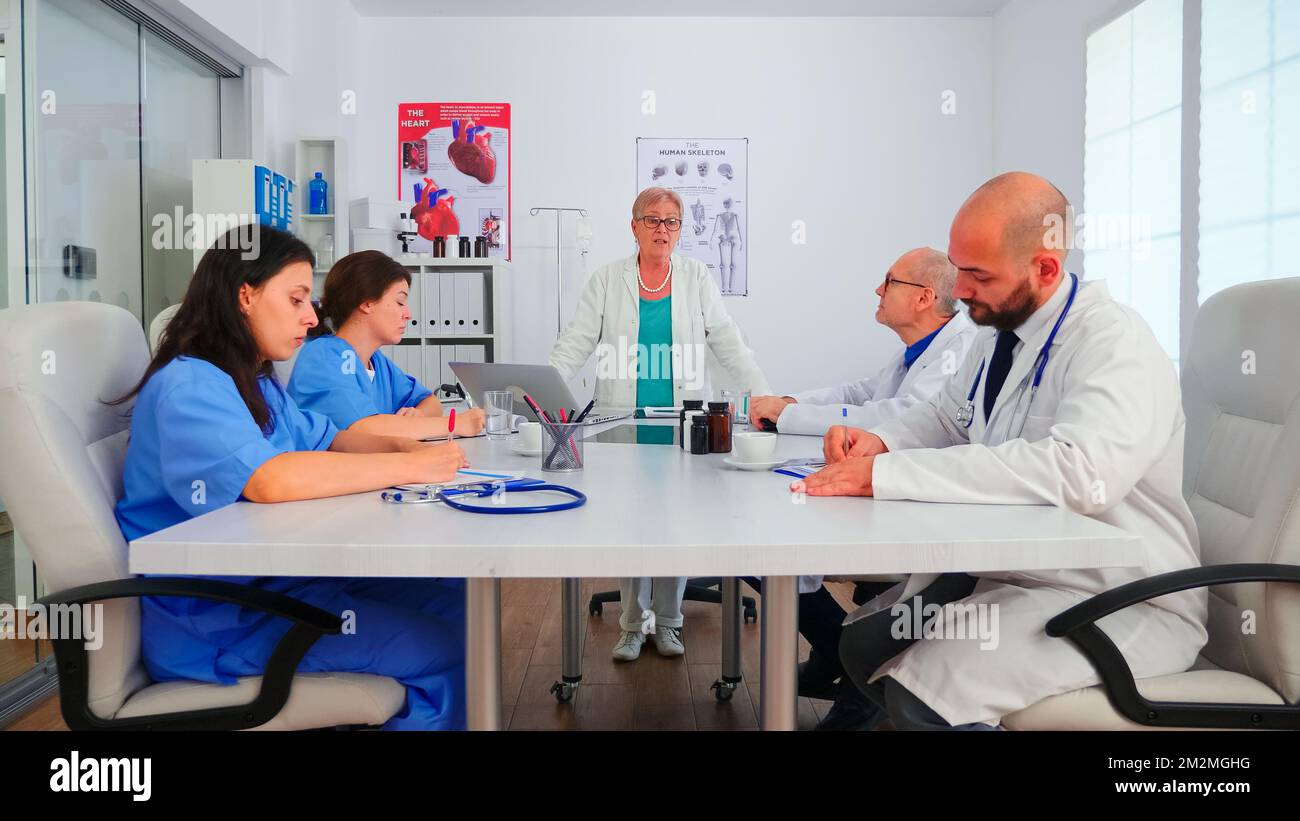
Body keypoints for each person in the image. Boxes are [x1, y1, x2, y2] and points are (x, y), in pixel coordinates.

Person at [793, 172, 1207, 730]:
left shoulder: (1115, 343)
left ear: (1044, 268)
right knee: (865, 645)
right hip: (1022, 569)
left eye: (976, 274)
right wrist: (881, 442)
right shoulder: (997, 334)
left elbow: (1080, 473)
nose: (958, 289)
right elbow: (944, 415)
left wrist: (885, 475)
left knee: (926, 695)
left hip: (1116, 592)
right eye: (959, 267)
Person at [114, 226, 473, 730]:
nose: (312, 316)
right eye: (298, 299)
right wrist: (409, 465)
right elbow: (269, 480)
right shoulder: (189, 385)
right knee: (450, 647)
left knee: (464, 604)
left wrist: (413, 444)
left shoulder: (257, 381)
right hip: (222, 620)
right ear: (245, 295)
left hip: (284, 584)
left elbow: (330, 437)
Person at [747, 247, 977, 726]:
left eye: (889, 280)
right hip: (887, 492)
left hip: (922, 508)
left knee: (769, 550)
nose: (878, 289)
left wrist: (787, 414)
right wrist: (789, 402)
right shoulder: (918, 349)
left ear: (923, 298)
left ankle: (856, 686)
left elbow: (893, 416)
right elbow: (861, 393)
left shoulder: (958, 351)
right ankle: (839, 651)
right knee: (753, 548)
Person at [549, 185, 770, 662]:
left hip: (681, 424)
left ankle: (669, 622)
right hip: (622, 422)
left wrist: (760, 393)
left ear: (680, 229)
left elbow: (727, 340)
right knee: (629, 526)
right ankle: (632, 625)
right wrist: (542, 389)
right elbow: (577, 341)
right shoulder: (608, 279)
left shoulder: (696, 277)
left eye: (672, 222)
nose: (662, 229)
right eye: (652, 220)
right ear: (634, 226)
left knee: (676, 525)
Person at [287, 250, 484, 438]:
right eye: (400, 302)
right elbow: (363, 429)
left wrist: (419, 417)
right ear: (366, 302)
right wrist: (455, 424)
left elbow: (431, 402)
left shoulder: (376, 362)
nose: (408, 314)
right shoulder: (323, 356)